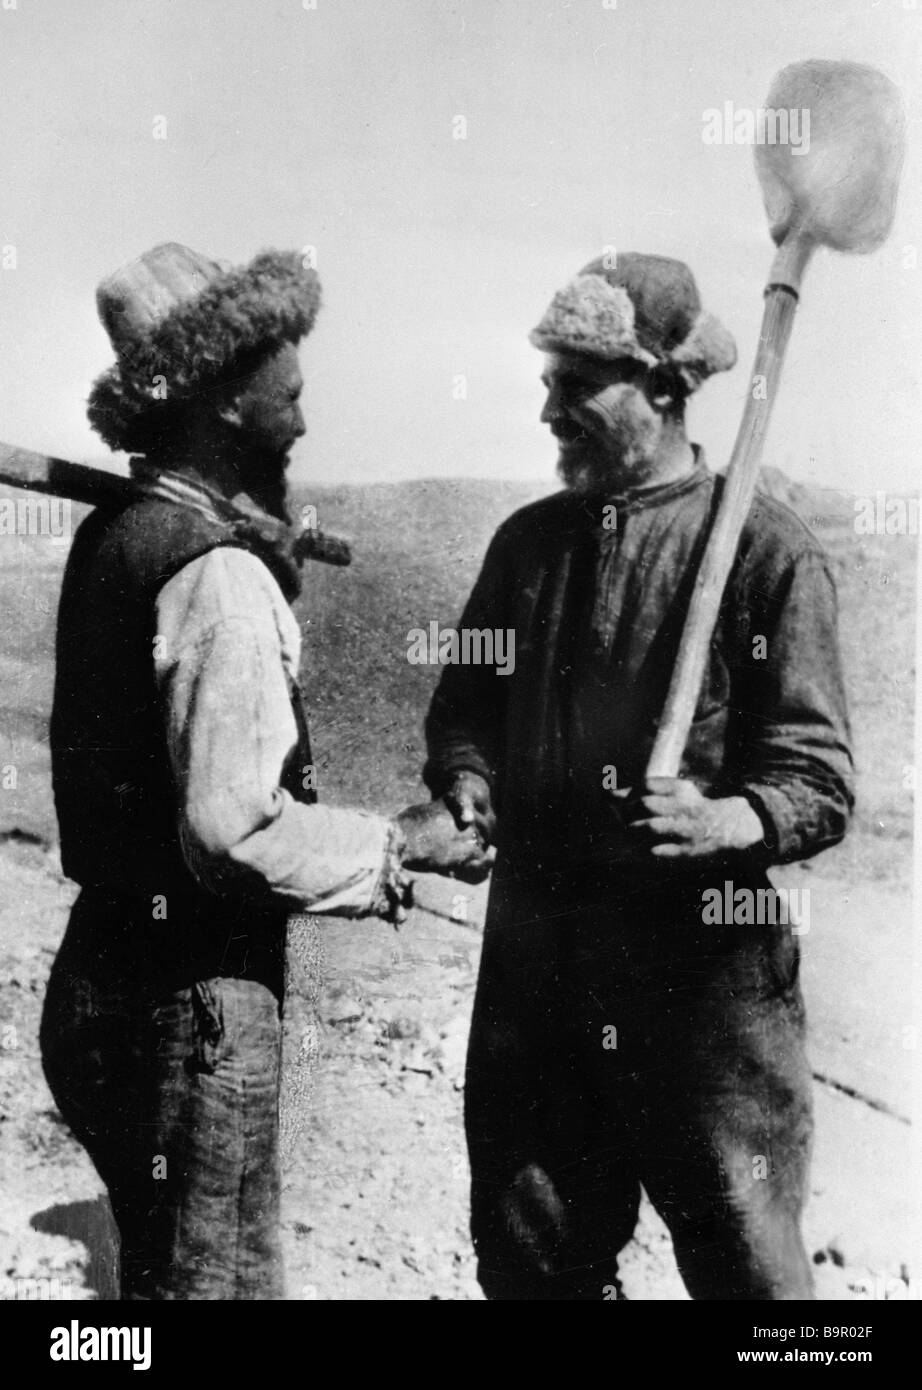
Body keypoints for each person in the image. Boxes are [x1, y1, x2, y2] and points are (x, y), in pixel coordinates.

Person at [41, 242, 485, 1300]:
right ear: (228, 403)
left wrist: (249, 565)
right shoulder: (216, 577)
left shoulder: (126, 535)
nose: (302, 417)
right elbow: (232, 831)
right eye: (288, 392)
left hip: (103, 980)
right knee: (216, 1289)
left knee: (161, 1280)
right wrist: (402, 843)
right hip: (191, 1006)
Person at [423, 252, 855, 1300]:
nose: (548, 409)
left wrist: (731, 820)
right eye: (547, 381)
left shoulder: (764, 551)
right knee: (532, 1256)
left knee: (748, 1263)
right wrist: (469, 778)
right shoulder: (526, 548)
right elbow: (467, 708)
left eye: (577, 384)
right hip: (541, 964)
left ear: (663, 387)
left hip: (702, 976)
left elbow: (820, 776)